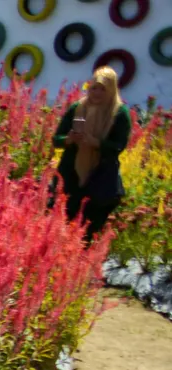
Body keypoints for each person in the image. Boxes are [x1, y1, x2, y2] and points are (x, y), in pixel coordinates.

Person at [55, 65, 130, 240]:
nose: (96, 93)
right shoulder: (78, 109)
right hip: (71, 173)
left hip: (99, 176)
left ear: (111, 90)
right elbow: (57, 139)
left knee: (89, 228)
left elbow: (119, 146)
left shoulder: (119, 113)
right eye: (94, 88)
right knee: (63, 220)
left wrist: (97, 143)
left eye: (102, 89)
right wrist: (69, 139)